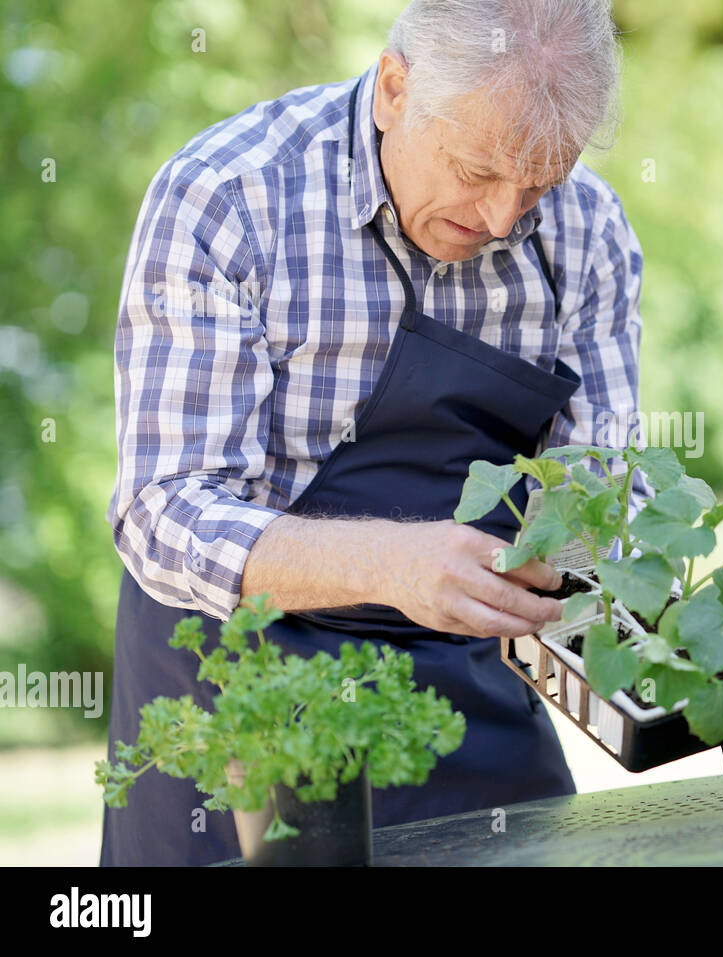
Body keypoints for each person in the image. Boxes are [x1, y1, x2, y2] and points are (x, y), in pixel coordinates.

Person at [101, 0, 642, 866]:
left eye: (538, 184)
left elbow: (609, 487)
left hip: (467, 692)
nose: (504, 218)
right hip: (246, 712)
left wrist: (581, 562)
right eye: (476, 170)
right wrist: (392, 564)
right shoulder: (231, 196)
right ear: (395, 87)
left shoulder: (591, 233)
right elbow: (160, 511)